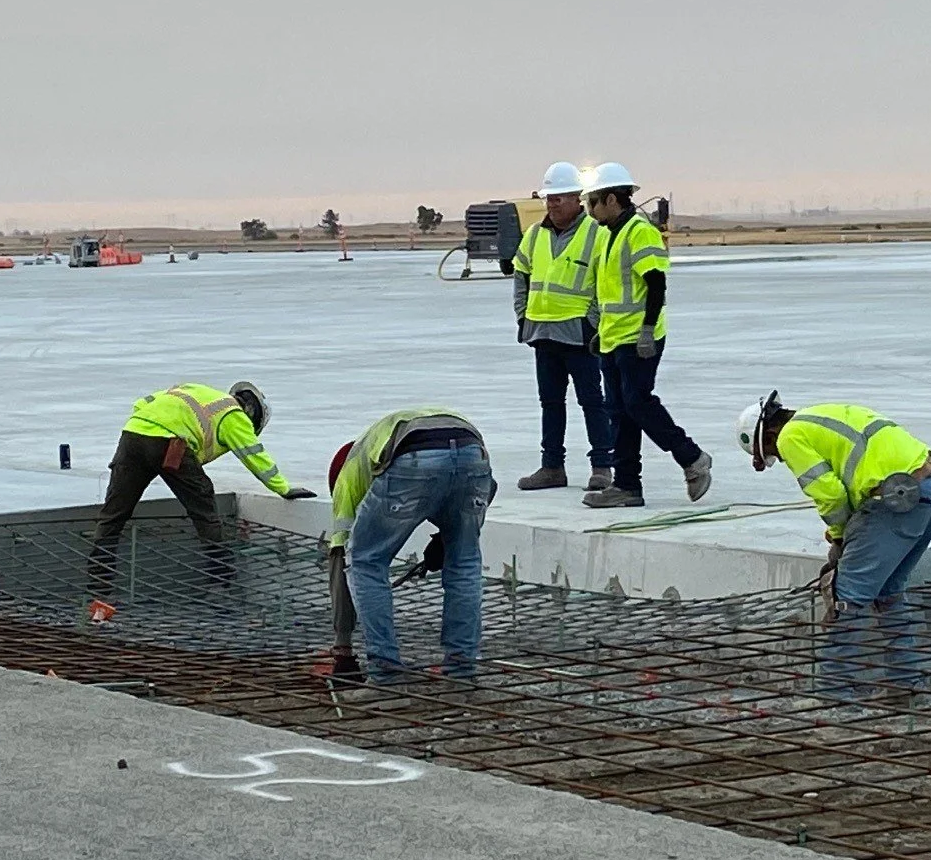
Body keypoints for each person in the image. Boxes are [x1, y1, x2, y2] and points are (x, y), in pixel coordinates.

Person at [739, 391, 931, 698]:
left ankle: (834, 691)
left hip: (895, 502)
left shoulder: (790, 436)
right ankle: (907, 684)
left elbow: (830, 494)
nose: (781, 457)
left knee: (848, 598)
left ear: (769, 434)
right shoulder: (822, 414)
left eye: (774, 452)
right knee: (888, 592)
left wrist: (840, 535)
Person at [87, 381, 313, 601]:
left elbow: (142, 402)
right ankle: (220, 585)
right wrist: (283, 488)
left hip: (132, 434)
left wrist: (148, 425)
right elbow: (253, 454)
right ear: (252, 414)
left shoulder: (196, 390)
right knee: (204, 507)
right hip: (169, 445)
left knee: (113, 516)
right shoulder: (233, 414)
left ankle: (99, 591)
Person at [326, 409, 495, 683]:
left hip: (413, 456)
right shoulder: (373, 442)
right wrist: (446, 538)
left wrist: (342, 645)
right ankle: (462, 671)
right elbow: (488, 487)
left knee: (366, 562)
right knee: (464, 561)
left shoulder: (347, 479)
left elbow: (341, 553)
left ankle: (386, 674)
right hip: (471, 451)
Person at [581, 162, 712, 509]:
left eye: (593, 202)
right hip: (614, 337)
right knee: (619, 412)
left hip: (639, 338)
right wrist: (600, 330)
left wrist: (648, 330)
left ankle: (692, 457)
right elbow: (612, 290)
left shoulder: (639, 231)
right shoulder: (610, 235)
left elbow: (656, 283)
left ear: (611, 199)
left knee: (637, 402)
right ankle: (626, 485)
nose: (590, 210)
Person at [511, 161, 614, 492]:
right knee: (550, 403)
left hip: (579, 336)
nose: (552, 204)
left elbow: (605, 282)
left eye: (558, 197)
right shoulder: (535, 235)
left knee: (592, 402)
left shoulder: (596, 234)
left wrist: (592, 324)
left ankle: (602, 466)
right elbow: (521, 275)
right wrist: (522, 316)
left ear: (576, 199)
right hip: (543, 333)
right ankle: (552, 466)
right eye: (548, 198)